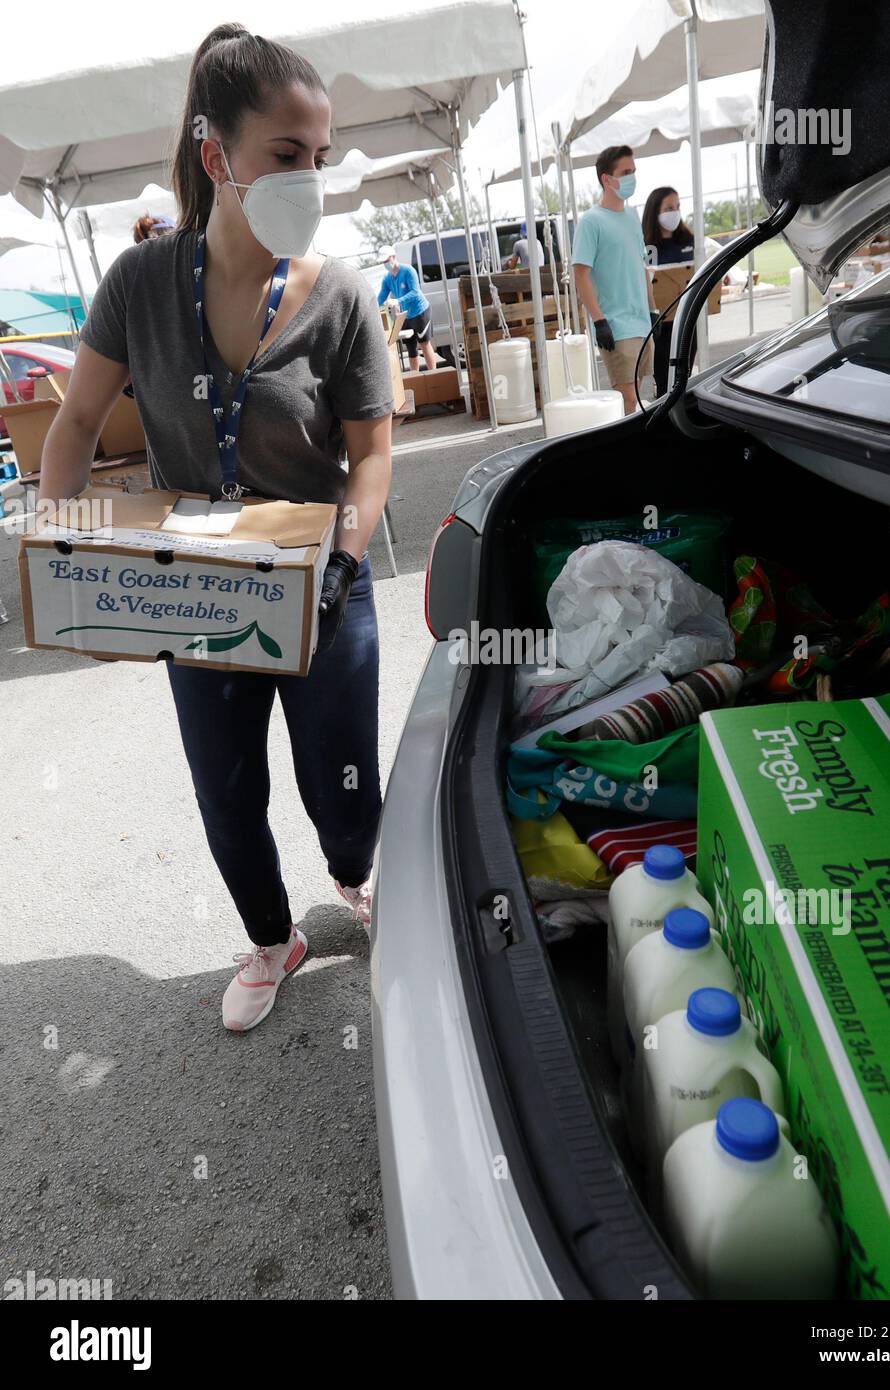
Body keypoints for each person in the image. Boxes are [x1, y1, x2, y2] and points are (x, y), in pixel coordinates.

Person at [38, 23, 395, 1032]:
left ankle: (359, 881)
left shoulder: (342, 301)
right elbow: (71, 420)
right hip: (196, 575)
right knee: (226, 792)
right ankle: (270, 934)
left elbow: (369, 456)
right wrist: (72, 565)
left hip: (321, 571)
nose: (307, 177)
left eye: (318, 158)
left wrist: (345, 558)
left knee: (342, 780)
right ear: (217, 157)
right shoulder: (141, 284)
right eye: (285, 156)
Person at [572, 145, 659, 413]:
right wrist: (599, 321)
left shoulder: (632, 216)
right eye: (626, 172)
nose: (632, 177)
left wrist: (652, 308)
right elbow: (580, 273)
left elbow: (641, 265)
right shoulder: (591, 222)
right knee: (627, 399)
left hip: (641, 322)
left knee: (635, 398)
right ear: (606, 179)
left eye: (633, 171)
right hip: (616, 325)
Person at [641, 186, 695, 397]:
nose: (675, 212)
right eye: (669, 207)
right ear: (656, 211)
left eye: (678, 206)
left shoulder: (689, 241)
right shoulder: (647, 247)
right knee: (664, 378)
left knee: (685, 375)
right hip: (660, 324)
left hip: (688, 318)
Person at [376, 244, 438, 372]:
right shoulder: (387, 278)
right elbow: (381, 298)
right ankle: (414, 377)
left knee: (424, 344)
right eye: (383, 262)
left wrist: (398, 300)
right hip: (405, 315)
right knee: (411, 348)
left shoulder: (408, 270)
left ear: (393, 257)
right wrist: (373, 308)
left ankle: (434, 374)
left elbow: (415, 292)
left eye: (387, 260)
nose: (385, 264)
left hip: (420, 312)